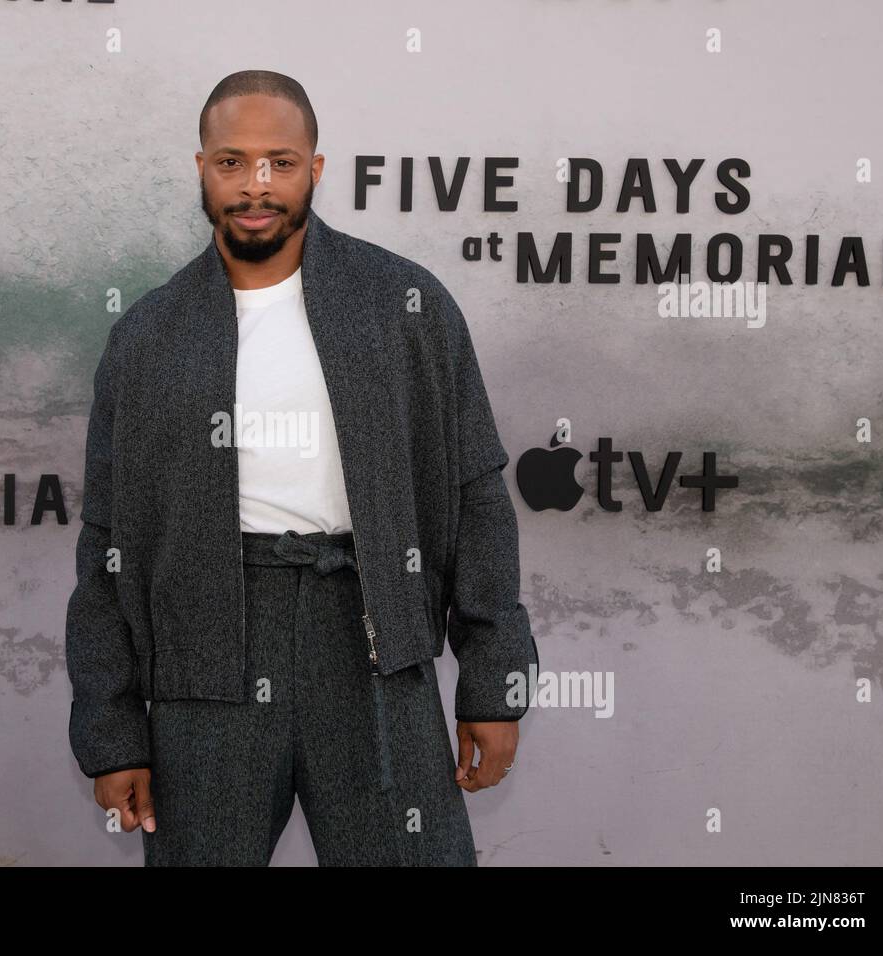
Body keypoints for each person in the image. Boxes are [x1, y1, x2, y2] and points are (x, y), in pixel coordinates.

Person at [65, 70, 539, 866]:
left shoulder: (404, 306)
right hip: (204, 658)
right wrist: (111, 731)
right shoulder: (147, 336)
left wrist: (494, 679)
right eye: (232, 162)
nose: (257, 185)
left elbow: (475, 496)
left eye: (280, 162)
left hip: (371, 641)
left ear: (315, 169)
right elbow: (107, 545)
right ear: (202, 168)